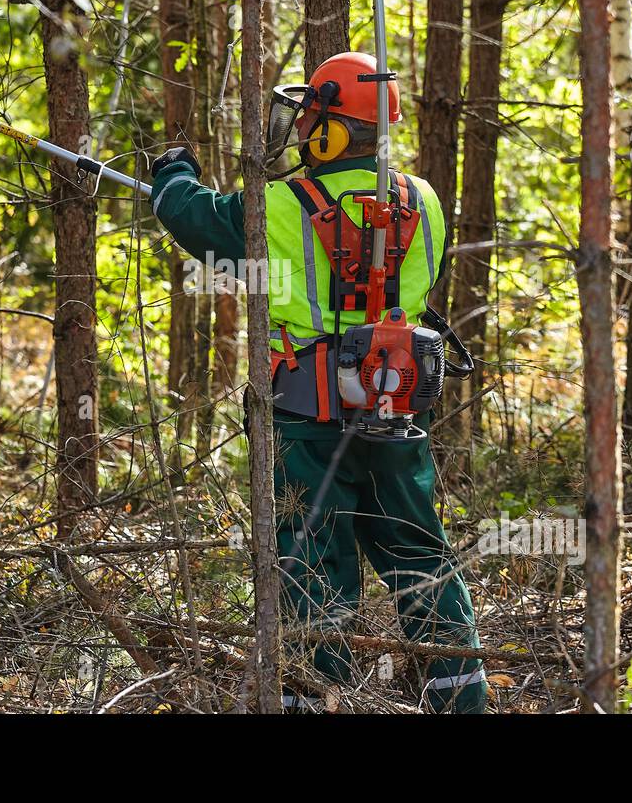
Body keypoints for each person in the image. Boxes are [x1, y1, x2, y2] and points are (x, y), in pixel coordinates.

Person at [149, 52, 486, 713]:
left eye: (310, 120)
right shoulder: (425, 201)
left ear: (330, 131)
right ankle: (460, 695)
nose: (301, 131)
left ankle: (315, 698)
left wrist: (171, 172)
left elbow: (192, 217)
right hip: (394, 410)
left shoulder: (278, 206)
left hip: (307, 417)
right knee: (419, 554)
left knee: (310, 563)